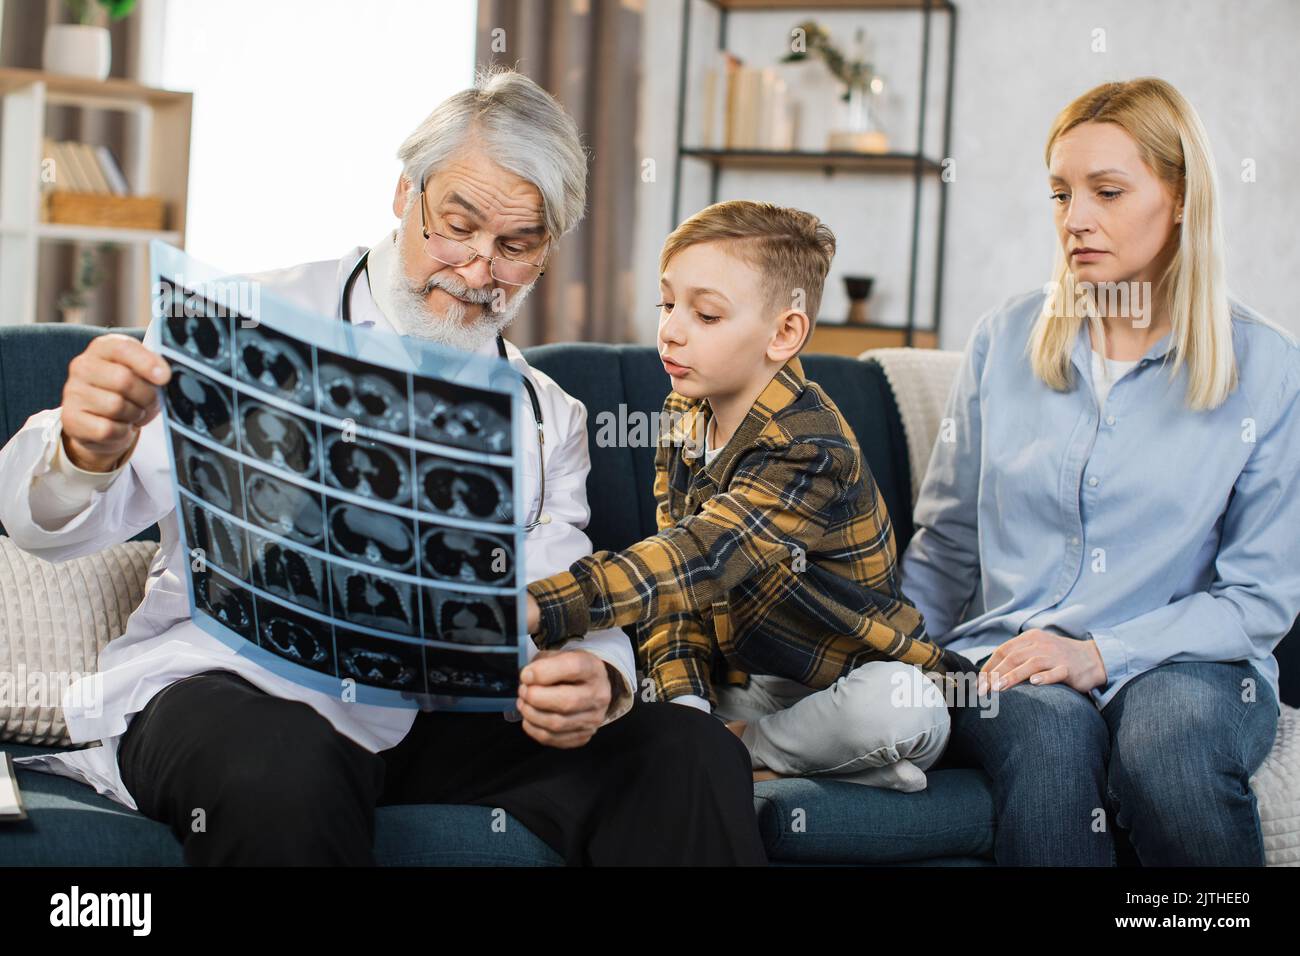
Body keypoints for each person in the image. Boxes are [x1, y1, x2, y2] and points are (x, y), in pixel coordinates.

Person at [0, 67, 766, 866]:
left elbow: (559, 588)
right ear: (406, 194)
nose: (476, 272)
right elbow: (40, 529)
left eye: (515, 246)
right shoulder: (241, 322)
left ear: (548, 249)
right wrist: (86, 448)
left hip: (433, 721)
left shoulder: (548, 412)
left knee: (687, 752)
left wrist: (598, 678)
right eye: (456, 226)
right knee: (282, 759)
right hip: (233, 700)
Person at [901, 78, 1300, 865]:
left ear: (1180, 196)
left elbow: (1259, 599)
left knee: (1168, 749)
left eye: (1107, 191)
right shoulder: (1004, 339)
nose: (1075, 219)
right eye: (1060, 193)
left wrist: (1100, 653)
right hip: (1008, 657)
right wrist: (903, 667)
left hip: (1192, 667)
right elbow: (947, 540)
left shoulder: (1268, 365)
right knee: (1048, 739)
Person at [526, 199, 966, 792]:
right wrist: (686, 714)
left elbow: (699, 555)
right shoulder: (684, 413)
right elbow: (675, 594)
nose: (671, 329)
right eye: (667, 303)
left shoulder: (809, 446)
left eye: (705, 315)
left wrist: (539, 605)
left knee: (899, 704)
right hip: (751, 685)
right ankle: (787, 756)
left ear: (784, 333)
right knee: (656, 714)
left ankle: (747, 752)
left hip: (851, 680)